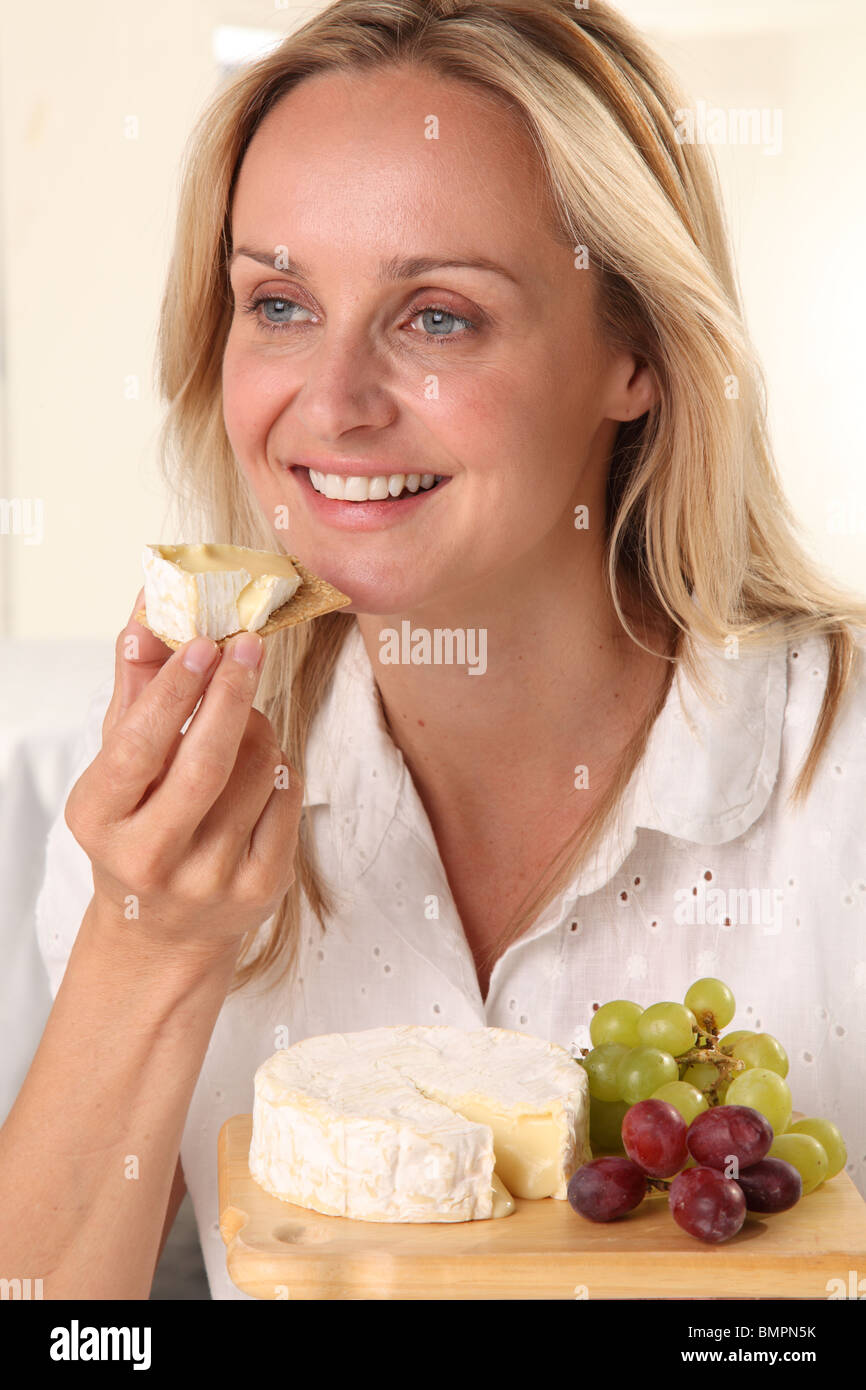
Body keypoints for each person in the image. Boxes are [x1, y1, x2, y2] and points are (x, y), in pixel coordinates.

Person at [2, 0, 865, 1300]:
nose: (332, 403)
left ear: (633, 352)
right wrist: (149, 947)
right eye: (279, 302)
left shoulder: (839, 781)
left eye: (438, 316)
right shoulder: (156, 812)